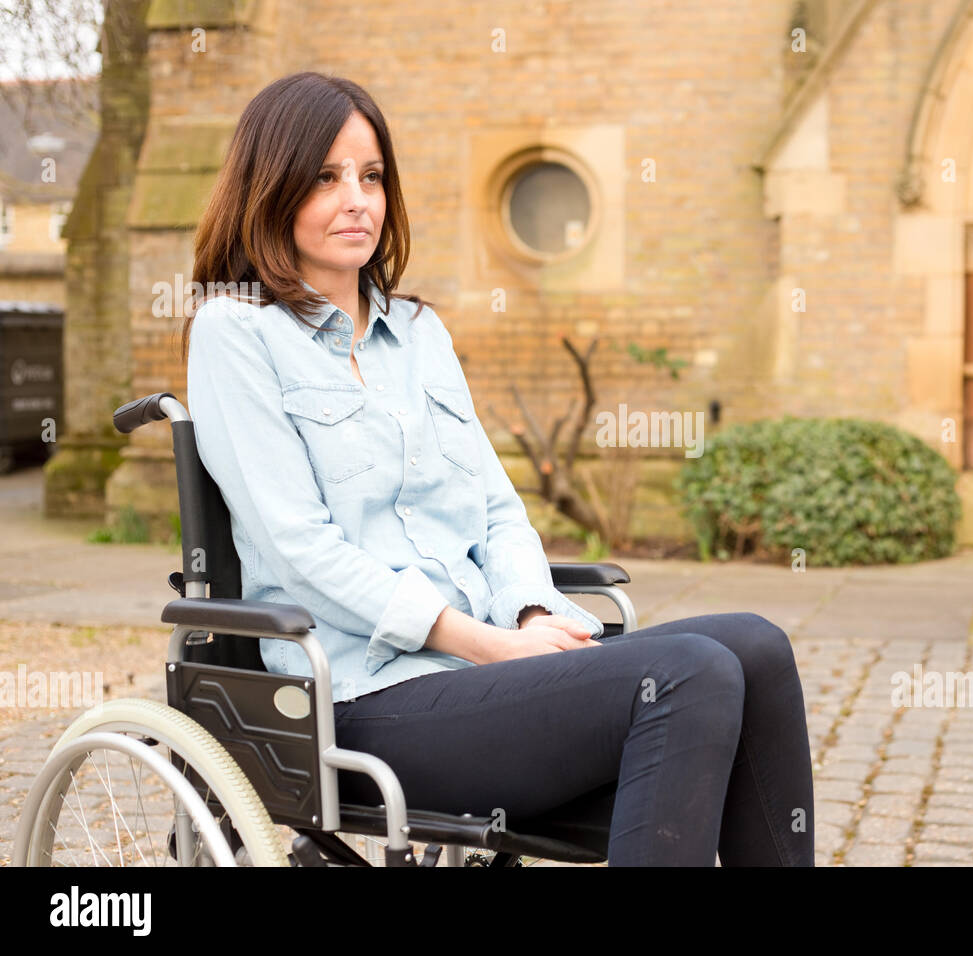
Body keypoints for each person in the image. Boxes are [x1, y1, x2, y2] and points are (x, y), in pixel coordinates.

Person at [182, 71, 814, 866]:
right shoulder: (236, 334)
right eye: (325, 177)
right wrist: (484, 644)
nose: (358, 200)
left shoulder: (417, 332)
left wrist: (526, 616)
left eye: (372, 177)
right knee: (688, 673)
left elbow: (496, 509)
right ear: (269, 188)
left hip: (489, 674)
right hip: (367, 696)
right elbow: (299, 550)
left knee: (755, 644)